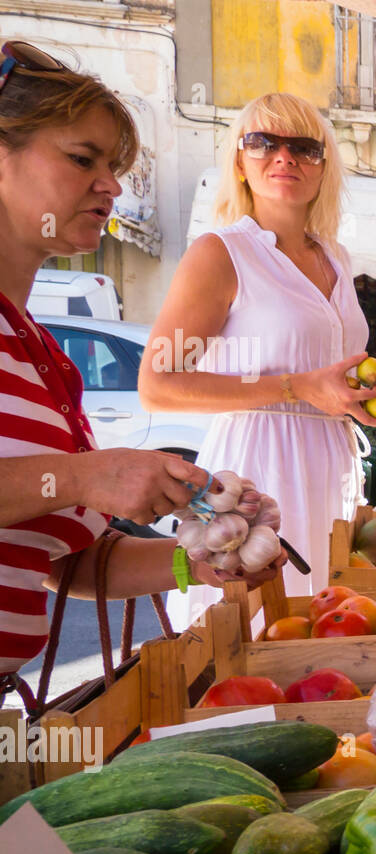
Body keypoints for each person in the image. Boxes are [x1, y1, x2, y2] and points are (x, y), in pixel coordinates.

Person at [0, 41, 285, 684]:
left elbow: (64, 564)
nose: (111, 185)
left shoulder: (45, 356)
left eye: (115, 165)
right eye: (82, 158)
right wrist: (79, 477)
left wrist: (204, 560)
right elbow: (66, 487)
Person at [139, 92, 376, 627]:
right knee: (246, 623)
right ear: (239, 160)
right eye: (263, 142)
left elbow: (323, 376)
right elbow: (157, 383)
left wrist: (360, 400)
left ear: (324, 168)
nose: (284, 157)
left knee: (321, 617)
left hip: (332, 459)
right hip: (257, 469)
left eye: (304, 147)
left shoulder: (337, 259)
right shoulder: (220, 252)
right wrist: (296, 387)